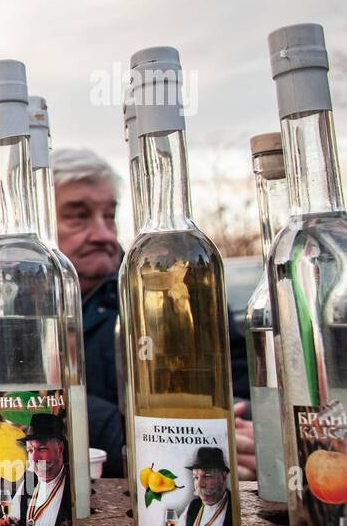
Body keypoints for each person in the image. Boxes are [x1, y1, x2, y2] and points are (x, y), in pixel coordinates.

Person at [51, 148, 253, 480]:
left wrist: (241, 426)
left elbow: (238, 376)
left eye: (109, 215)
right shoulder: (18, 311)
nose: (103, 234)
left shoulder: (171, 286)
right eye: (79, 215)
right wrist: (123, 438)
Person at [0, 414, 72, 526]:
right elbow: (13, 518)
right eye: (30, 450)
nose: (34, 458)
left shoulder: (72, 484)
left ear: (60, 449)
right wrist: (5, 525)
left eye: (42, 449)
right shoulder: (29, 480)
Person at [163, 446, 235, 526]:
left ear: (223, 477)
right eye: (196, 477)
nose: (200, 484)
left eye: (207, 476)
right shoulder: (193, 506)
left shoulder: (235, 508)